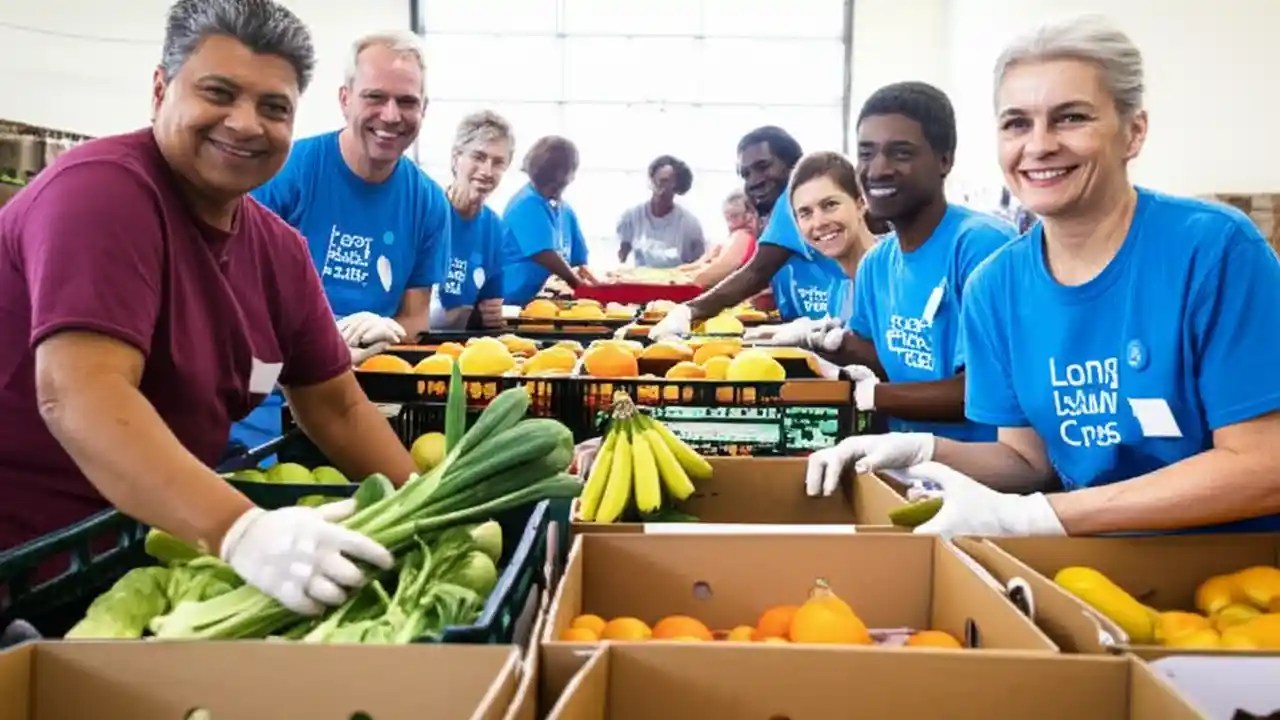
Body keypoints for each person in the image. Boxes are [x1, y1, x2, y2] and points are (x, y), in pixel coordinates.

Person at [0, 0, 414, 616]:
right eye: (218, 93)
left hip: (154, 556)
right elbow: (79, 393)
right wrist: (241, 531)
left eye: (274, 107)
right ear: (161, 89)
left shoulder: (278, 252)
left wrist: (434, 503)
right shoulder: (100, 195)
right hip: (33, 572)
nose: (246, 124)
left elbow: (339, 408)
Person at [806, 15, 1280, 536]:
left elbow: (1263, 467)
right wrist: (924, 449)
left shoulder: (1212, 251)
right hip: (1082, 572)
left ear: (1133, 132)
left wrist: (1043, 515)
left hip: (1234, 585)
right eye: (1016, 123)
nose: (1039, 145)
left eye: (1071, 118)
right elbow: (1026, 462)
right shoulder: (996, 287)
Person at [228, 29, 450, 450]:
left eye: (407, 101)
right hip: (259, 406)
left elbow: (416, 318)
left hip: (357, 408)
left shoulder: (427, 203)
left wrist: (384, 336)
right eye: (374, 97)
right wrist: (317, 353)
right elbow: (229, 306)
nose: (391, 115)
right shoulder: (286, 174)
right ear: (345, 99)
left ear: (424, 109)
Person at [805, 83, 1017, 452]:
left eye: (900, 153)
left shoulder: (980, 245)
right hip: (902, 472)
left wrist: (874, 397)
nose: (878, 169)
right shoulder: (876, 265)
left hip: (979, 478)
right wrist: (825, 348)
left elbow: (985, 389)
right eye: (866, 153)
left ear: (944, 160)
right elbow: (886, 361)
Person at [649, 126, 846, 339]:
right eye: (746, 174)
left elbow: (756, 272)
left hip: (832, 334)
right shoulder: (789, 209)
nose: (754, 180)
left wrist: (689, 311)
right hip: (818, 330)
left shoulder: (791, 202)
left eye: (763, 166)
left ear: (794, 166)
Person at [430, 110, 514, 331]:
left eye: (498, 163)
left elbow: (490, 306)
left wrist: (491, 315)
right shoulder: (427, 211)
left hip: (461, 350)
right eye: (478, 157)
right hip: (412, 346)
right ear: (456, 158)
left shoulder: (494, 228)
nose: (487, 171)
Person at [501, 136, 596, 306]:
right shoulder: (525, 204)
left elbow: (579, 261)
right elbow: (545, 254)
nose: (552, 190)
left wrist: (597, 288)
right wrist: (578, 286)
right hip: (512, 304)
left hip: (545, 304)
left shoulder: (565, 211)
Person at [787, 152, 879, 324]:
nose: (819, 223)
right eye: (805, 213)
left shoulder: (893, 272)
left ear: (861, 203)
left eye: (830, 205)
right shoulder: (839, 288)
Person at [616, 155, 706, 269]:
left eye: (666, 182)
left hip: (674, 284)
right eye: (656, 181)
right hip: (640, 283)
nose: (660, 187)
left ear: (677, 186)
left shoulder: (690, 224)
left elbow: (700, 264)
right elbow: (621, 259)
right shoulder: (631, 217)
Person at [684, 189, 760, 289]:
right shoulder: (729, 241)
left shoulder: (742, 236)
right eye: (728, 218)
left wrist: (688, 279)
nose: (731, 224)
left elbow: (724, 267)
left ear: (750, 214)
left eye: (735, 216)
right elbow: (699, 264)